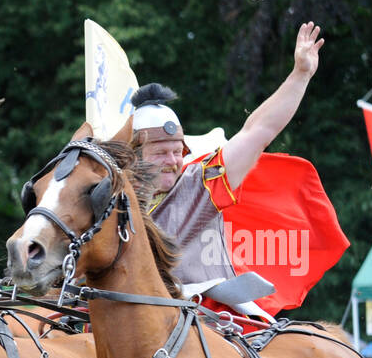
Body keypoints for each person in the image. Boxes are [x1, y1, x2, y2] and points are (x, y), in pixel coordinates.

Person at [131, 22, 325, 300]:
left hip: (203, 319)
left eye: (177, 151)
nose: (172, 160)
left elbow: (256, 132)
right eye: (161, 152)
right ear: (135, 155)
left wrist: (300, 75)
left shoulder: (200, 186)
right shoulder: (113, 202)